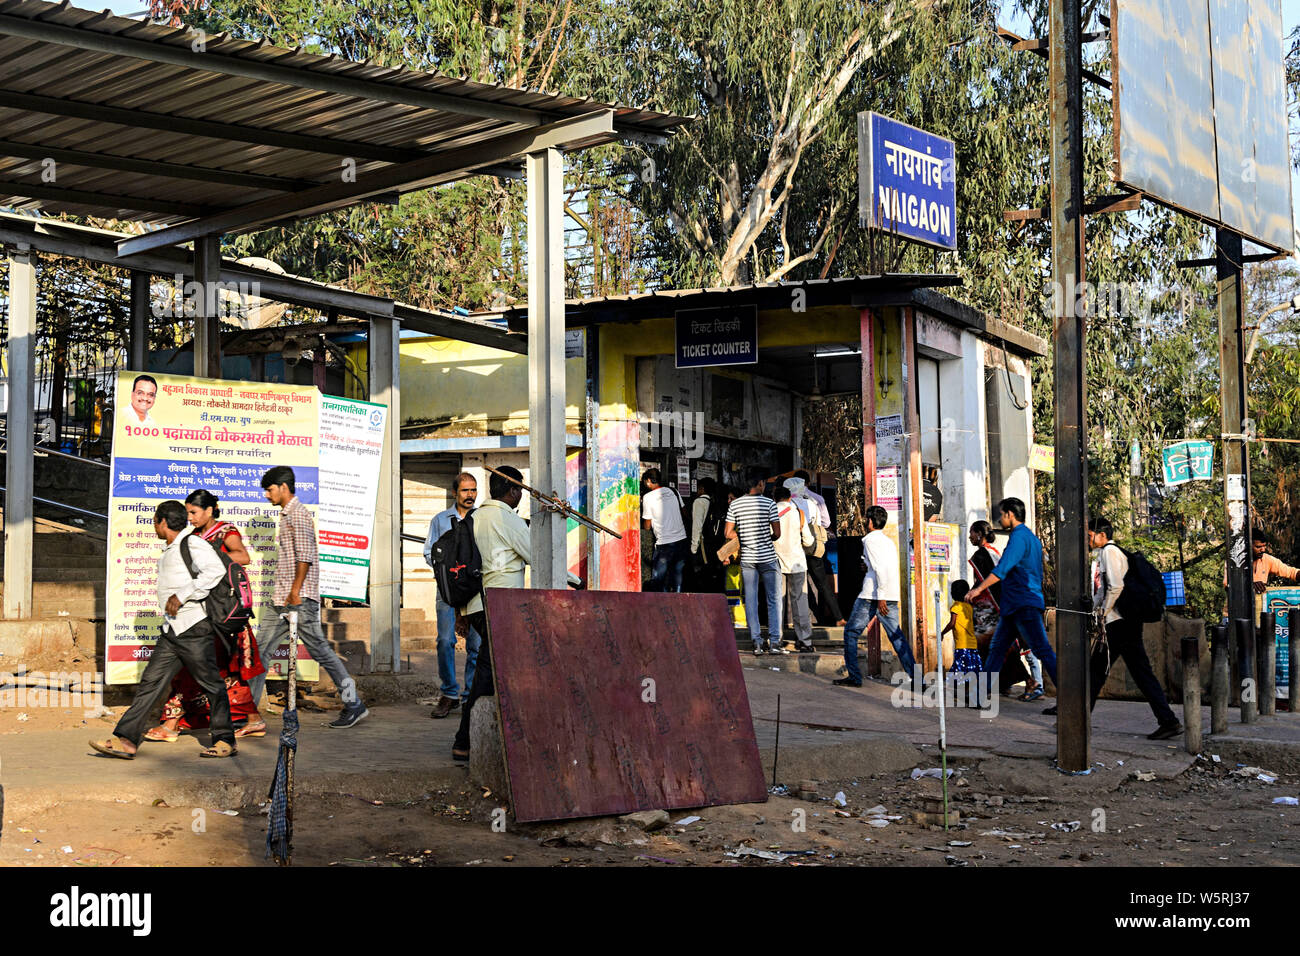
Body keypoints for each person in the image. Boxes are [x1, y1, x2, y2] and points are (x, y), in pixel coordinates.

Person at [452, 465, 581, 761]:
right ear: (512, 491)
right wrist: (576, 581)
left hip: (476, 607)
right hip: (499, 607)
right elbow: (538, 557)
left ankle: (488, 739)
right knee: (491, 675)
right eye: (520, 491)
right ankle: (465, 741)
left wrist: (461, 612)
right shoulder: (506, 519)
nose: (521, 497)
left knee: (497, 672)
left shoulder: (475, 517)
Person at [89, 501, 236, 759]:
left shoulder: (192, 544)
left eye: (155, 521)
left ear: (163, 522)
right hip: (172, 631)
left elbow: (216, 570)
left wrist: (182, 596)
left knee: (212, 684)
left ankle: (225, 740)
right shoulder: (172, 549)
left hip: (193, 628)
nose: (155, 526)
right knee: (150, 683)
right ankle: (126, 740)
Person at [249, 466, 368, 729]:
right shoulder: (286, 515)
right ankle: (249, 715)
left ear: (283, 487)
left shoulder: (298, 516)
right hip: (281, 599)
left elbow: (305, 557)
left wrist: (295, 590)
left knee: (322, 653)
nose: (267, 495)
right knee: (260, 653)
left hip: (298, 600)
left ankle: (354, 703)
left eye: (269, 490)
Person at [144, 490, 267, 741]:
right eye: (187, 513)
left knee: (205, 672)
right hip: (201, 614)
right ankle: (250, 719)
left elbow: (243, 557)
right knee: (210, 673)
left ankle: (172, 723)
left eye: (194, 512)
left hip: (220, 614)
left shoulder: (224, 532)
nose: (190, 518)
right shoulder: (192, 538)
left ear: (210, 510)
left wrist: (210, 559)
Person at [1084, 517, 1183, 739]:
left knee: (1096, 671)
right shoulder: (1106, 554)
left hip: (1118, 622)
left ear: (1102, 535)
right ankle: (1168, 720)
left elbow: (1115, 586)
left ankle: (1078, 721)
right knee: (1139, 672)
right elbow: (1104, 590)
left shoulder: (1109, 552)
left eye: (1090, 535)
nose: (1088, 539)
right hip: (1125, 622)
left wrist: (1102, 613)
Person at [967, 497, 1059, 699]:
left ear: (1010, 514)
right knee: (997, 649)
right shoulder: (1031, 539)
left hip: (1023, 603)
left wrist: (977, 589)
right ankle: (980, 694)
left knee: (1041, 650)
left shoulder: (1019, 537)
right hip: (1015, 604)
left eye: (1002, 514)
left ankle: (1070, 697)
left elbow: (1002, 570)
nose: (1000, 519)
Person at [422, 472, 483, 719]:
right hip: (447, 591)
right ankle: (449, 693)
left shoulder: (481, 519)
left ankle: (470, 697)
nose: (470, 495)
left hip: (475, 591)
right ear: (454, 493)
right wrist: (446, 570)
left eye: (473, 490)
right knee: (445, 641)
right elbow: (429, 552)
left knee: (476, 645)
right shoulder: (440, 520)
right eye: (465, 490)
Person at [835, 505, 915, 687]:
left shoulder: (870, 540)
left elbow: (880, 569)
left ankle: (854, 677)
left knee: (851, 632)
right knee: (897, 637)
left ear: (870, 522)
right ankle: (917, 679)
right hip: (889, 594)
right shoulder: (888, 541)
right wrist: (869, 568)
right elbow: (882, 567)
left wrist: (881, 597)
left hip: (873, 596)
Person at [969, 520, 1042, 700]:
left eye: (971, 533)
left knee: (999, 650)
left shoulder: (982, 556)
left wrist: (974, 592)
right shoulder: (995, 553)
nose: (970, 536)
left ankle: (1029, 681)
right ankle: (1005, 684)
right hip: (1000, 608)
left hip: (990, 613)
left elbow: (987, 583)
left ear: (979, 534)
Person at [725, 468, 784, 654]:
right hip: (767, 558)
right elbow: (777, 533)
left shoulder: (735, 505)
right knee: (774, 599)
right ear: (760, 484)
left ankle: (757, 642)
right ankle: (774, 642)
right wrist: (764, 537)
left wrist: (745, 536)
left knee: (751, 600)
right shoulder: (770, 504)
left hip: (748, 559)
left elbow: (728, 533)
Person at [789, 472, 845, 626]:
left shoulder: (789, 504)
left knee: (797, 584)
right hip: (813, 545)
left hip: (795, 546)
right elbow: (824, 524)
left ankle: (799, 619)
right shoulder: (814, 502)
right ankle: (838, 617)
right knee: (822, 583)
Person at [773, 485, 815, 653]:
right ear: (790, 498)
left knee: (776, 602)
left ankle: (776, 639)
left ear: (775, 498)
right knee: (800, 601)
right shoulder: (799, 513)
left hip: (776, 562)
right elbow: (809, 541)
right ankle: (805, 640)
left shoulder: (771, 511)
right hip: (797, 562)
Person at [642, 468, 689, 592]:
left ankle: (662, 604)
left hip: (664, 544)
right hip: (682, 540)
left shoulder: (647, 497)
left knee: (659, 579)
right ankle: (678, 598)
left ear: (648, 481)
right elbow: (685, 512)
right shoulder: (673, 491)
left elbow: (647, 525)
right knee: (678, 574)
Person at [943, 580, 982, 702]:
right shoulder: (969, 607)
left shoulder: (956, 607)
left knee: (961, 669)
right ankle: (969, 692)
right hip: (972, 644)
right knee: (971, 669)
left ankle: (964, 693)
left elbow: (952, 623)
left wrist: (942, 633)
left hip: (962, 644)